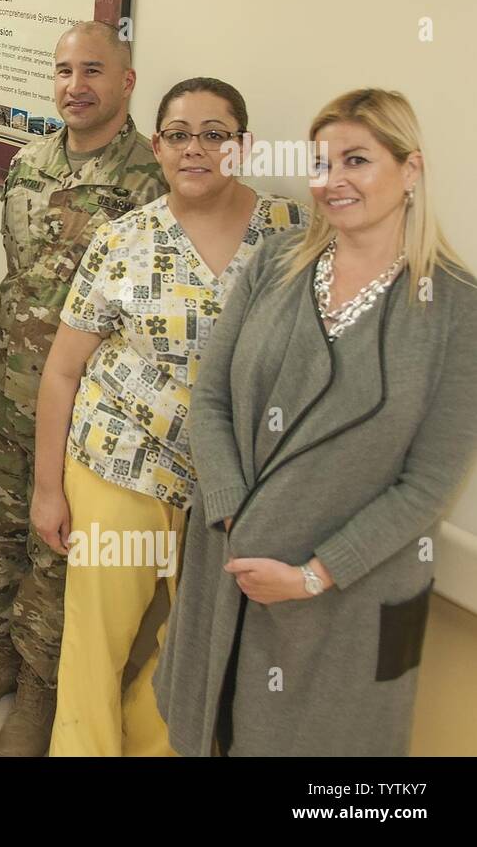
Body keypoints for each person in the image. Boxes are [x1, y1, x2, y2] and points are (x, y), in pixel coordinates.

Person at [156, 89, 477, 757]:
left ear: (410, 169)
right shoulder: (276, 262)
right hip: (233, 553)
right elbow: (211, 394)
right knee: (214, 720)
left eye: (356, 160)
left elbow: (427, 486)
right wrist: (229, 510)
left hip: (353, 591)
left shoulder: (454, 309)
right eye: (321, 163)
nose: (332, 182)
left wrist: (313, 574)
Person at [28, 78, 307, 756]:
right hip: (120, 464)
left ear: (243, 147)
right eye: (179, 134)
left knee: (193, 639)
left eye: (215, 133)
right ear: (157, 147)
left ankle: (157, 743)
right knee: (99, 637)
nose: (196, 148)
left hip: (232, 484)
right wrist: (46, 487)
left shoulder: (292, 234)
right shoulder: (122, 240)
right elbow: (63, 369)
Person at [0, 22, 167, 752]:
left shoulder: (151, 180)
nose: (76, 85)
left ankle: (42, 685)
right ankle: (2, 650)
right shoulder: (30, 160)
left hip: (85, 404)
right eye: (65, 70)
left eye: (94, 70)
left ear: (127, 82)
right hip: (5, 382)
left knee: (57, 542)